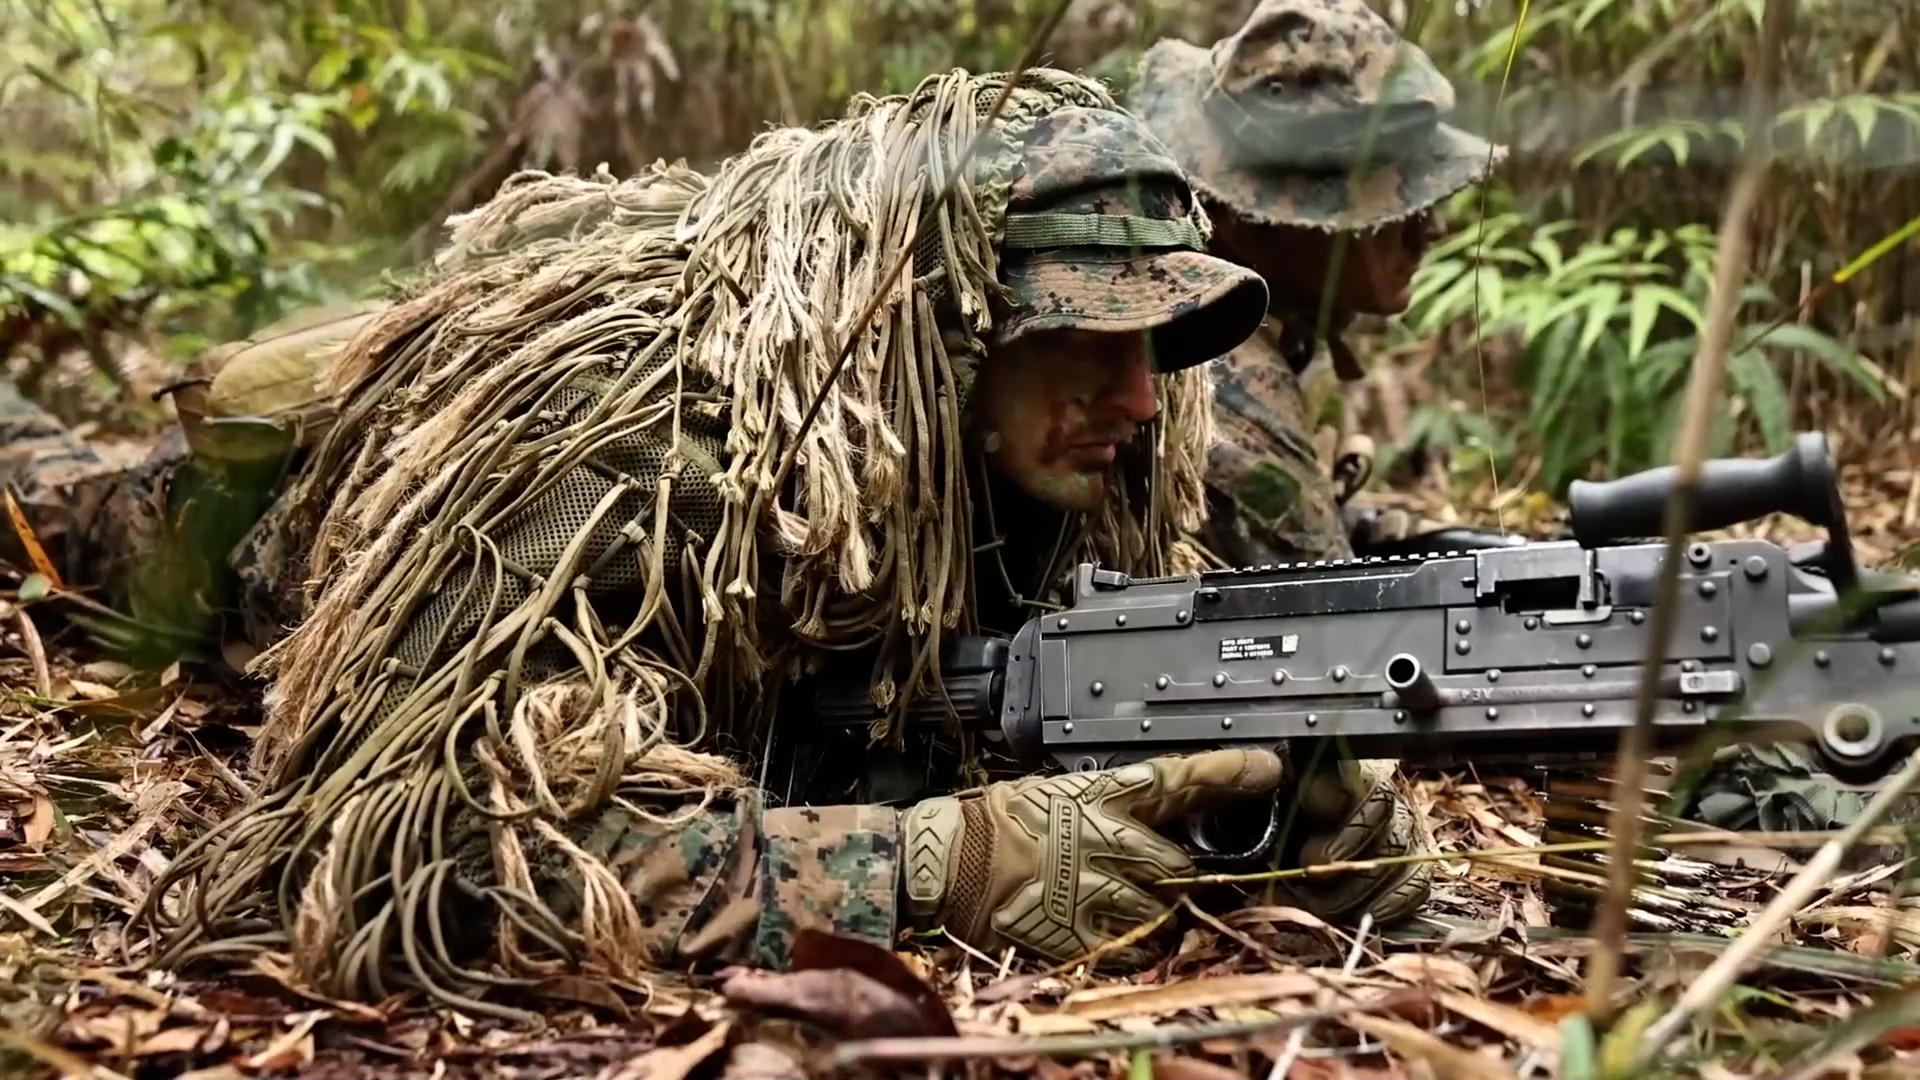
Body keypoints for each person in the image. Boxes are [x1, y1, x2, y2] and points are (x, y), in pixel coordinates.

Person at [1, 70, 1428, 1015]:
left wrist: (1272, 815)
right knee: (68, 505)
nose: (1136, 393)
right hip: (279, 531)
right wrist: (937, 867)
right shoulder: (641, 471)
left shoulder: (1054, 471)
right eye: (1080, 330)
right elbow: (409, 853)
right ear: (932, 334)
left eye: (1161, 340)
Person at [1129, 0, 1508, 569]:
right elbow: (1336, 620)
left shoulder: (1268, 322)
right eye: (1392, 210)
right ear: (1255, 225)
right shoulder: (1225, 385)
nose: (1431, 230)